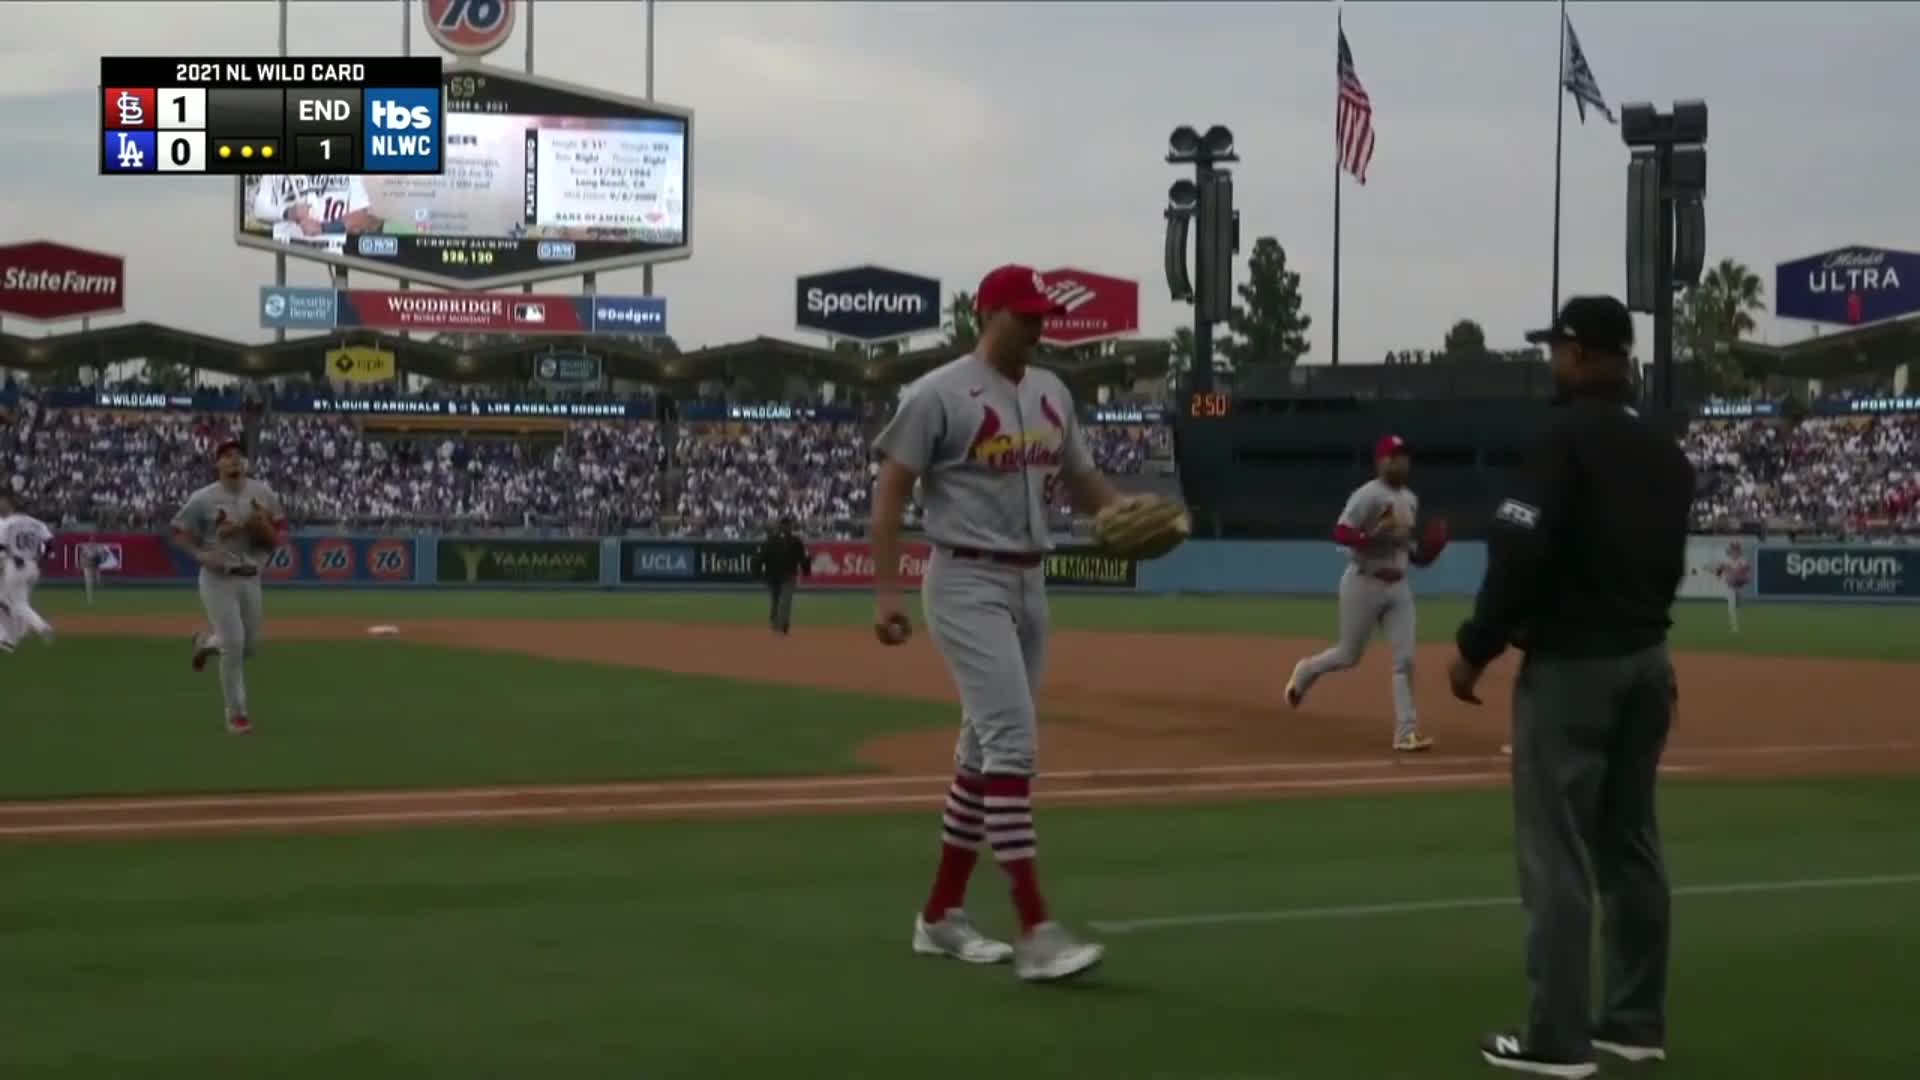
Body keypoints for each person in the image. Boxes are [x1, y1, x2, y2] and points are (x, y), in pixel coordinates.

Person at [1447, 296, 1696, 1077]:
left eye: (1558, 348)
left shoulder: (1561, 437)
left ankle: (1558, 1039)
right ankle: (1633, 1021)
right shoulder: (1667, 449)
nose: (1552, 360)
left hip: (1572, 669)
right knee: (1631, 845)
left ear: (1585, 355)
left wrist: (1475, 648)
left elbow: (1520, 550)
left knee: (1553, 851)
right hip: (1649, 661)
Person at [870, 263, 1122, 983]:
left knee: (984, 753)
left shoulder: (1051, 392)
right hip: (965, 578)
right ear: (990, 315)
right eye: (1025, 315)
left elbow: (1080, 477)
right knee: (1013, 743)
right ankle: (1036, 928)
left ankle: (941, 915)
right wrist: (887, 593)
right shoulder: (938, 393)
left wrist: (1122, 511)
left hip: (1029, 579)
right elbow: (890, 491)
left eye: (1043, 316)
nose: (1039, 327)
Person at [1284, 434, 1442, 751]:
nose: (1399, 461)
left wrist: (1424, 553)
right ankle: (1306, 671)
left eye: (1403, 456)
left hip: (1398, 586)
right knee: (1348, 655)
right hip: (1363, 582)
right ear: (1380, 461)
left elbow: (1406, 546)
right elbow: (1341, 532)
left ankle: (1406, 733)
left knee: (1405, 660)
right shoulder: (1367, 495)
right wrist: (1371, 535)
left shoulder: (1410, 499)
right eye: (1392, 456)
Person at [170, 440, 288, 734]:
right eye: (227, 456)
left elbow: (281, 528)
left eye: (238, 455)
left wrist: (266, 537)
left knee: (248, 647)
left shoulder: (262, 493)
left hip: (250, 576)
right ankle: (237, 714)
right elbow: (178, 530)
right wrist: (199, 554)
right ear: (218, 465)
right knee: (233, 646)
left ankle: (206, 643)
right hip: (217, 579)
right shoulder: (203, 498)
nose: (234, 460)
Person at [0, 493, 56, 651]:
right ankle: (15, 637)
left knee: (16, 604)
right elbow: (50, 544)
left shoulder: (8, 523)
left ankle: (42, 628)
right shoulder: (37, 523)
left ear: (13, 508)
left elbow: (2, 547)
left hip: (15, 565)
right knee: (20, 601)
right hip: (33, 566)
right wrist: (43, 556)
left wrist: (10, 558)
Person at [756, 517, 810, 634]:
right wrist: (758, 570)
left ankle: (783, 624)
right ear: (780, 526)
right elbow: (761, 557)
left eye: (788, 525)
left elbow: (802, 558)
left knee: (784, 601)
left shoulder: (795, 541)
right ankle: (776, 624)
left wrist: (806, 569)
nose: (786, 527)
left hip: (788, 576)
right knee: (775, 601)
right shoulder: (772, 540)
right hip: (773, 576)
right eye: (784, 525)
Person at [1713, 539, 1749, 632]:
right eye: (1733, 548)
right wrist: (1718, 575)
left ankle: (1739, 622)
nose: (1735, 550)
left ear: (1739, 550)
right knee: (1731, 606)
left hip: (1740, 586)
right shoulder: (1726, 560)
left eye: (1736, 548)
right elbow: (1719, 570)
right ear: (1731, 549)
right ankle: (1734, 626)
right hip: (1729, 586)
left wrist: (1735, 575)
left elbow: (1745, 573)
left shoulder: (1743, 560)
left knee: (1739, 606)